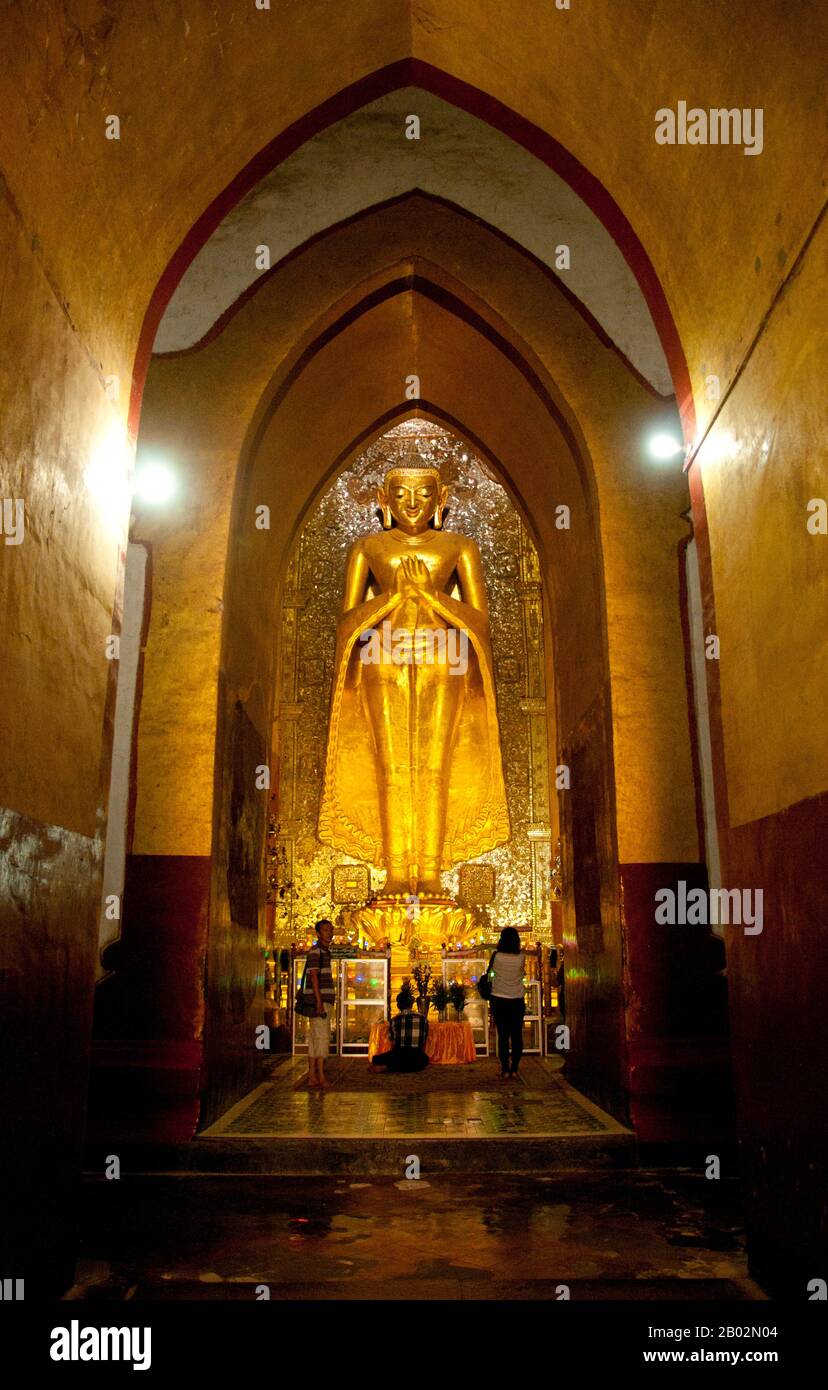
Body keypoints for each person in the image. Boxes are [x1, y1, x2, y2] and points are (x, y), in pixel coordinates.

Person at [489, 926, 526, 1081]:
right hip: (516, 999)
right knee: (516, 1035)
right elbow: (521, 972)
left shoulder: (496, 956)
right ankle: (515, 1068)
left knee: (503, 1036)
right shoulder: (521, 957)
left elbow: (490, 973)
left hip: (499, 999)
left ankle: (505, 1069)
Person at [303, 919, 336, 1088]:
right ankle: (320, 1077)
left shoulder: (325, 952)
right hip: (320, 1002)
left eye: (330, 930)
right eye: (325, 930)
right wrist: (319, 1002)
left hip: (323, 1001)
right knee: (322, 1037)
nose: (329, 933)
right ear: (318, 933)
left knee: (315, 1037)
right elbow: (313, 976)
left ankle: (312, 1076)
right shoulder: (316, 952)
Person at [371, 991, 430, 1072]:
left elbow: (392, 1042)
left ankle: (390, 1067)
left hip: (399, 1054)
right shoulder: (423, 1019)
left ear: (398, 1006)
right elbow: (423, 1042)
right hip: (416, 1055)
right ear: (412, 1004)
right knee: (424, 1060)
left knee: (375, 1059)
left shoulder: (394, 1020)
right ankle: (405, 1066)